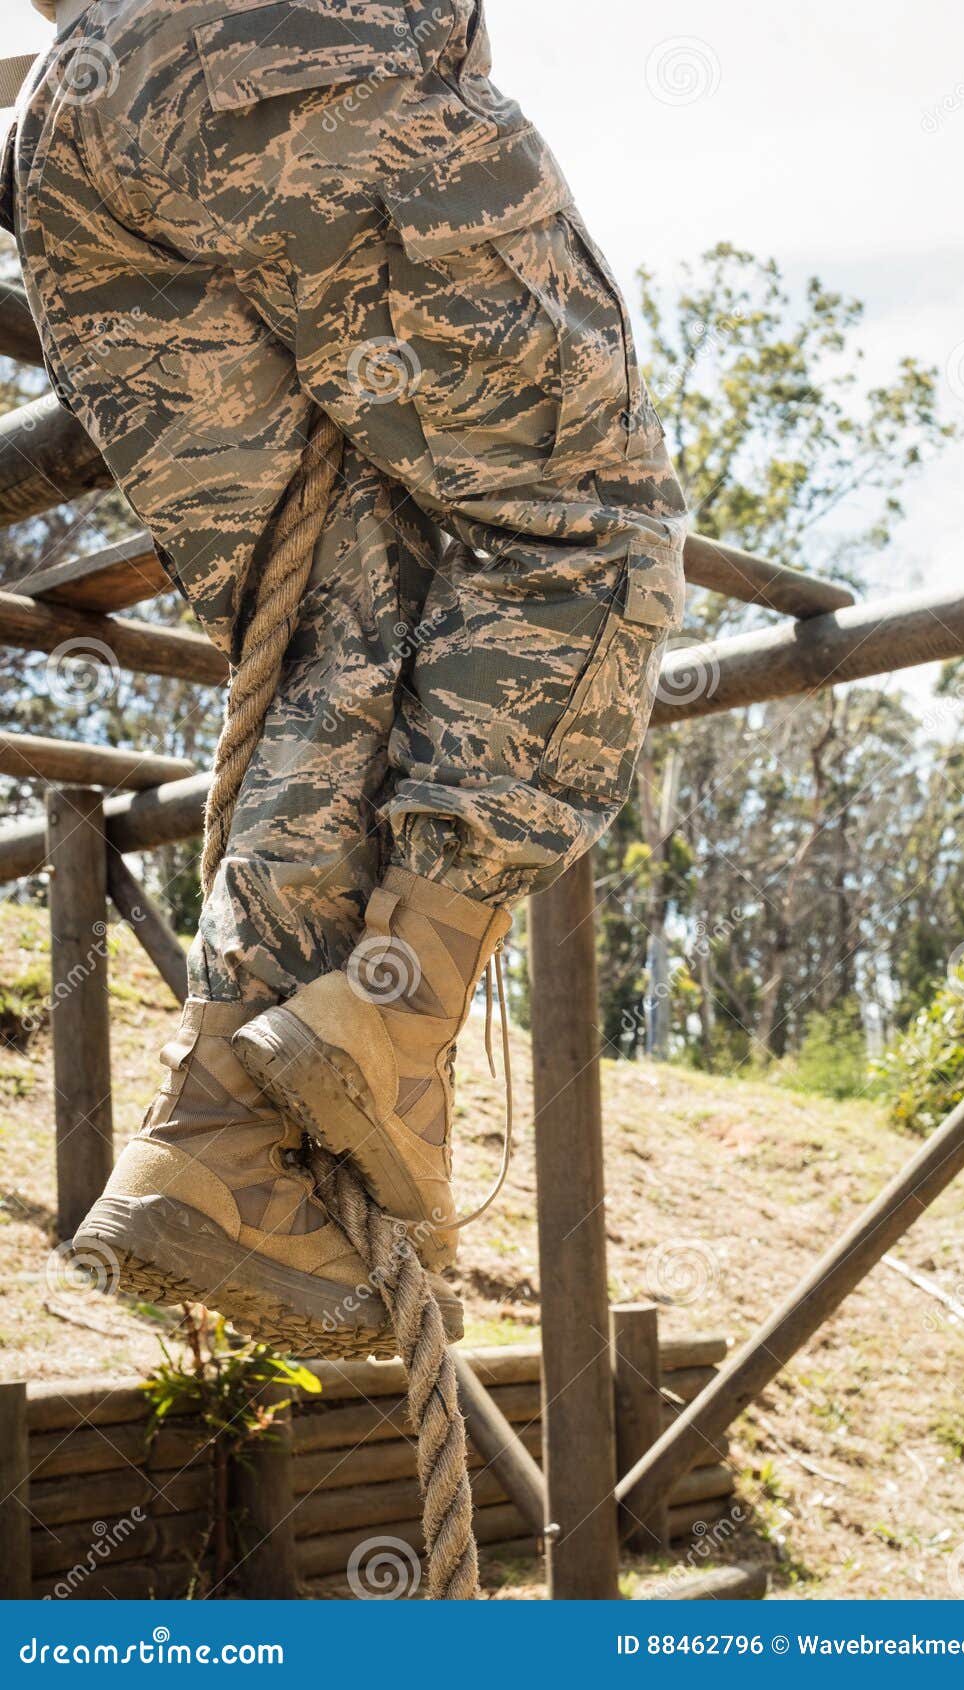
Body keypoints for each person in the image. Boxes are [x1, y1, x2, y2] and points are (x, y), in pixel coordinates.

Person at [9, 0, 687, 1354]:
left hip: (76, 150)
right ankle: (390, 1016)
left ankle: (220, 1130)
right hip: (287, 50)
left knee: (343, 614)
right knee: (590, 526)